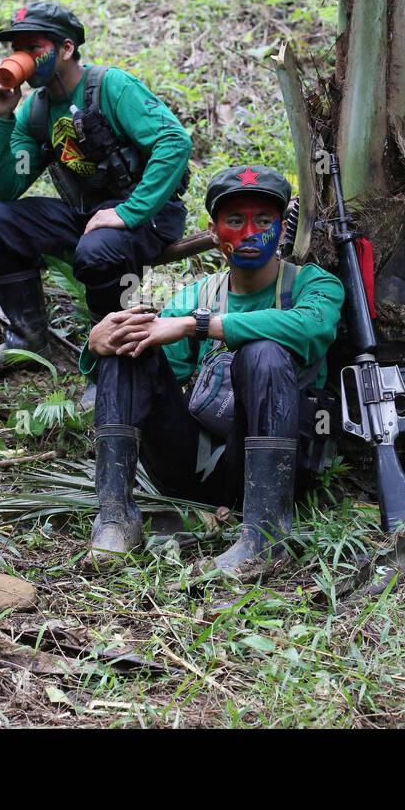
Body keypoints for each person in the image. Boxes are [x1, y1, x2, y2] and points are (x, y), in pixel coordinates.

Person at [84, 165, 345, 574]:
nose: (249, 233)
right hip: (196, 469)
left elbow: (311, 327)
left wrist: (198, 325)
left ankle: (265, 537)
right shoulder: (196, 295)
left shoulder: (314, 285)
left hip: (282, 470)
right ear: (212, 231)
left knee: (264, 351)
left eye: (263, 221)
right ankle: (116, 521)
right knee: (131, 345)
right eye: (235, 221)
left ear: (280, 227)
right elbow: (145, 377)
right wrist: (96, 345)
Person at [0, 1, 192, 394]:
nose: (22, 58)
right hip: (88, 217)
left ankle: (109, 366)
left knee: (96, 249)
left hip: (147, 213)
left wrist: (130, 211)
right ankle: (27, 339)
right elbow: (6, 188)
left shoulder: (110, 86)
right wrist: (1, 116)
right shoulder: (34, 112)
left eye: (32, 48)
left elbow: (174, 141)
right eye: (16, 48)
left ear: (65, 49)